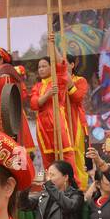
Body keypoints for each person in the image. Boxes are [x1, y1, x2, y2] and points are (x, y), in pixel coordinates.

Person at [30, 56, 87, 184]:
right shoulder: (38, 86)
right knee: (48, 156)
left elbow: (77, 97)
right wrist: (46, 95)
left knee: (71, 153)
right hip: (45, 124)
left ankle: (77, 187)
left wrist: (53, 43)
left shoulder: (65, 80)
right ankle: (52, 186)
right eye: (39, 67)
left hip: (66, 120)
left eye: (44, 66)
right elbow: (34, 103)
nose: (41, 69)